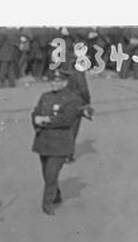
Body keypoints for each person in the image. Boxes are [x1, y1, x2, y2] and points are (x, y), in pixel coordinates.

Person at [30, 66, 85, 215]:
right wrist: (36, 120)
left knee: (51, 174)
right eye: (53, 80)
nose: (54, 83)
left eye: (58, 81)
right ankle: (56, 193)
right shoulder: (45, 96)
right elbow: (35, 112)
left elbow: (66, 120)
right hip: (44, 142)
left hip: (60, 144)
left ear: (65, 82)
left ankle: (47, 205)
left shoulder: (73, 99)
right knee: (46, 174)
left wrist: (46, 120)